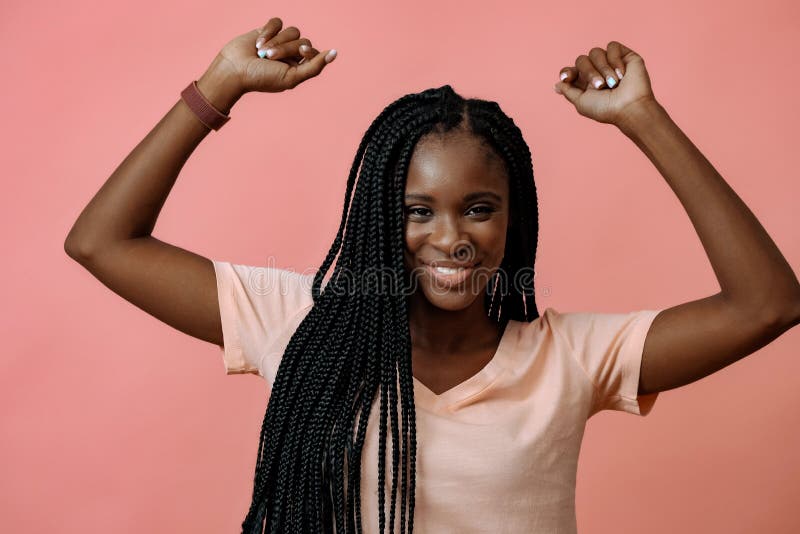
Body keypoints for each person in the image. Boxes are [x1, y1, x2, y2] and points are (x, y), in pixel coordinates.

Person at [64, 16, 800, 534]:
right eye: (418, 211)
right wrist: (218, 84)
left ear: (514, 219)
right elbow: (102, 242)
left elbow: (768, 305)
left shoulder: (570, 359)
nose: (452, 240)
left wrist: (643, 117)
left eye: (479, 209)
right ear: (378, 217)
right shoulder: (298, 323)